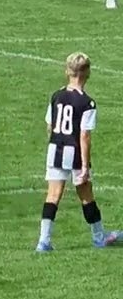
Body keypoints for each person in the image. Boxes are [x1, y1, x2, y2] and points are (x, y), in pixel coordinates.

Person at [37, 53, 122, 250]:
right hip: (73, 153)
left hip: (55, 149)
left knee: (52, 196)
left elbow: (49, 125)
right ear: (87, 73)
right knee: (86, 195)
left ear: (67, 71)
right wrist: (84, 165)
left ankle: (44, 241)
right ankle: (99, 237)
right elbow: (84, 136)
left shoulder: (56, 96)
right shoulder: (87, 103)